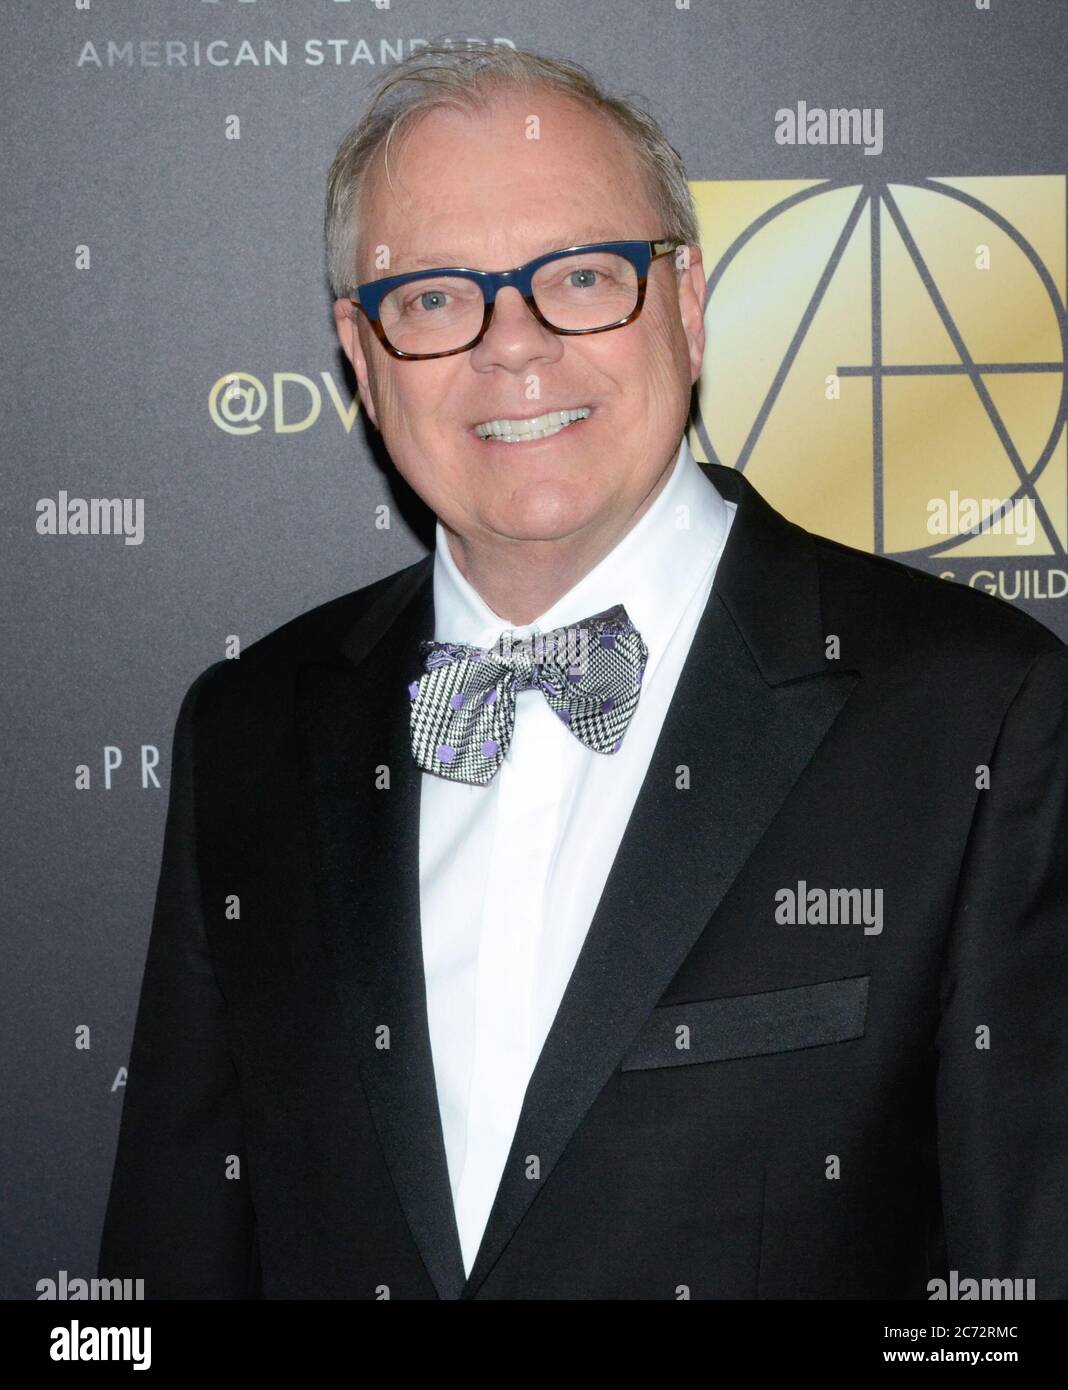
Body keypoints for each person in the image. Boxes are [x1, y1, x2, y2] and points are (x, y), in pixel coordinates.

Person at [99, 42, 1068, 1300]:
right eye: (438, 297)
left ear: (687, 303)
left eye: (582, 276)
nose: (517, 347)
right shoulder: (248, 727)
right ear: (362, 350)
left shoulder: (976, 712)